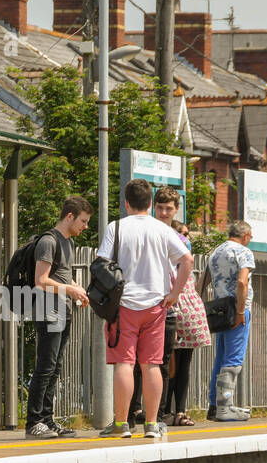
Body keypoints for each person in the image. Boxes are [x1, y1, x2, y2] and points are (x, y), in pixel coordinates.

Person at [96, 178, 193, 439]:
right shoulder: (163, 231)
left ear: (127, 203)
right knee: (152, 364)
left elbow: (101, 263)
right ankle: (152, 424)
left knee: (123, 364)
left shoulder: (116, 228)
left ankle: (120, 424)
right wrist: (174, 293)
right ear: (150, 204)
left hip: (123, 305)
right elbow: (187, 259)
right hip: (156, 306)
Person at [25, 196, 92, 439]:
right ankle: (33, 422)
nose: (85, 226)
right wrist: (70, 290)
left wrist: (77, 289)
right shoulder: (48, 242)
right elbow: (41, 281)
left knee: (55, 367)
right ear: (70, 216)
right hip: (48, 310)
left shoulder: (68, 243)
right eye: (83, 221)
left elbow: (62, 276)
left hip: (63, 310)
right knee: (45, 366)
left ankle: (47, 419)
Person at [200, 221, 255, 421]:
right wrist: (241, 311)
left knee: (220, 359)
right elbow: (242, 281)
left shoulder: (215, 253)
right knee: (233, 360)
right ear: (246, 235)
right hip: (237, 309)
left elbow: (201, 284)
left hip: (219, 311)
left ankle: (214, 405)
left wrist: (203, 309)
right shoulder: (243, 252)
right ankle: (226, 407)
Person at [164, 221, 210, 426]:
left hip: (189, 319)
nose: (186, 238)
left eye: (187, 234)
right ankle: (166, 410)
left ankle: (180, 411)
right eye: (182, 234)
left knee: (184, 367)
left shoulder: (186, 262)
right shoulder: (168, 260)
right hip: (174, 315)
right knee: (169, 367)